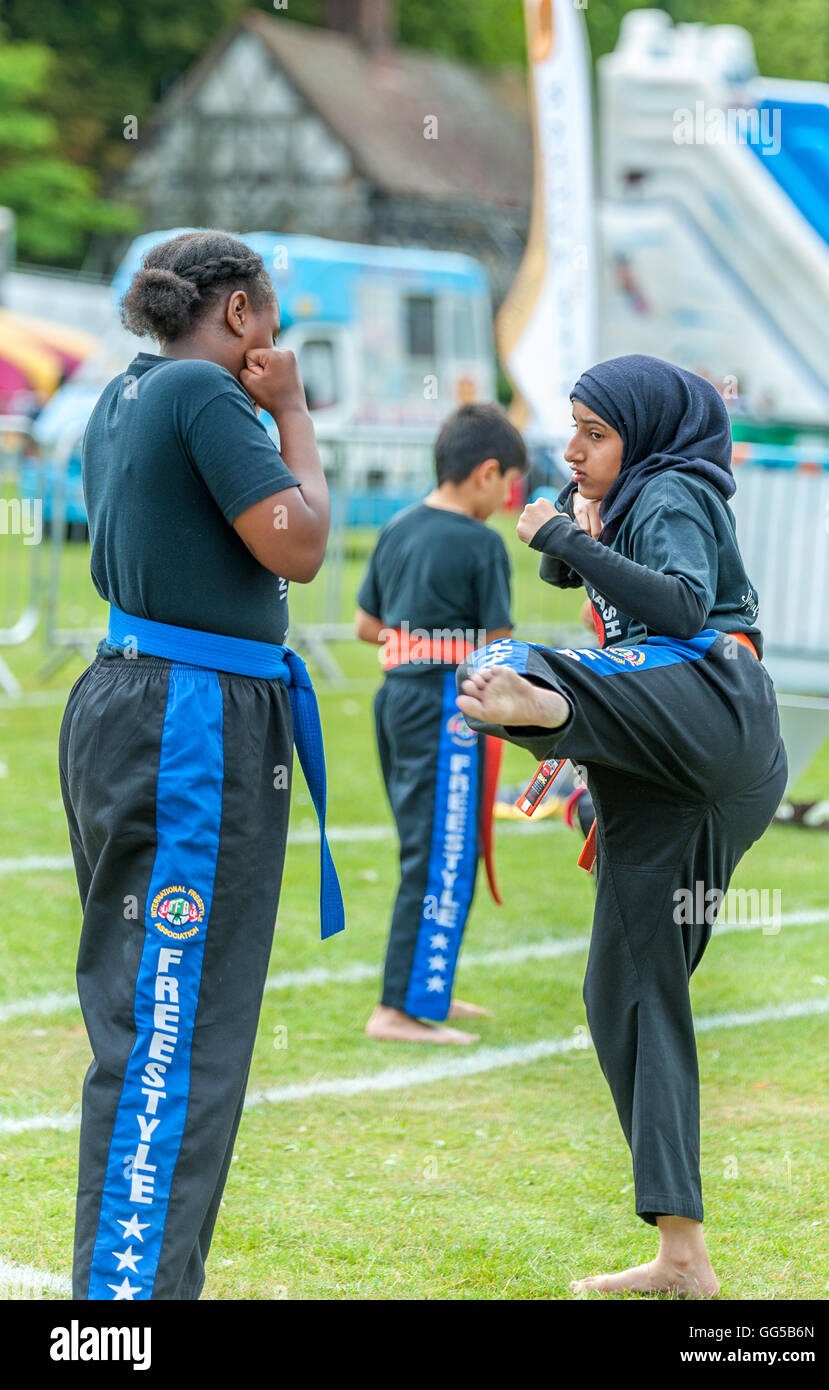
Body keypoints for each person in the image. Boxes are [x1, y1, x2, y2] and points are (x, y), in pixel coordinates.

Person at [455, 355, 787, 1297]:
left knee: (523, 660)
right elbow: (571, 570)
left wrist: (566, 526)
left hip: (714, 703)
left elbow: (680, 607)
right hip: (686, 773)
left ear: (647, 435)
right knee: (628, 997)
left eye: (594, 433)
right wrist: (575, 517)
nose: (572, 450)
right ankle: (682, 1258)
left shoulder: (675, 487)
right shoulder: (627, 492)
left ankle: (549, 711)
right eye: (572, 430)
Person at [58, 230, 342, 1301]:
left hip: (135, 696)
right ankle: (128, 1305)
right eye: (267, 323)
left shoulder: (124, 394)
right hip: (188, 718)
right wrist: (296, 413)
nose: (271, 345)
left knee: (151, 1017)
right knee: (174, 1027)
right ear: (235, 315)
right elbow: (300, 542)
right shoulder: (206, 396)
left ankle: (136, 1289)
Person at [356, 404, 527, 1043]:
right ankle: (397, 1010)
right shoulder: (482, 544)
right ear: (486, 474)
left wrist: (415, 637)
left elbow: (364, 626)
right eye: (508, 484)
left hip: (397, 703)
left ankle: (430, 989)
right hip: (447, 715)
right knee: (441, 854)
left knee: (433, 848)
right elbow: (500, 645)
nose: (508, 501)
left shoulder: (398, 527)